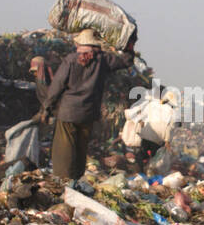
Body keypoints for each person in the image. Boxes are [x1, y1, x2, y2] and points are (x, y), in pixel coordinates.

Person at [36, 29, 135, 180]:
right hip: (88, 113)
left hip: (68, 112)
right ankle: (76, 179)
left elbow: (57, 85)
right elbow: (126, 61)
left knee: (64, 149)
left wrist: (46, 108)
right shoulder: (103, 60)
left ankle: (64, 181)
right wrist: (130, 44)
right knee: (81, 149)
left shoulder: (71, 59)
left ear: (81, 44)